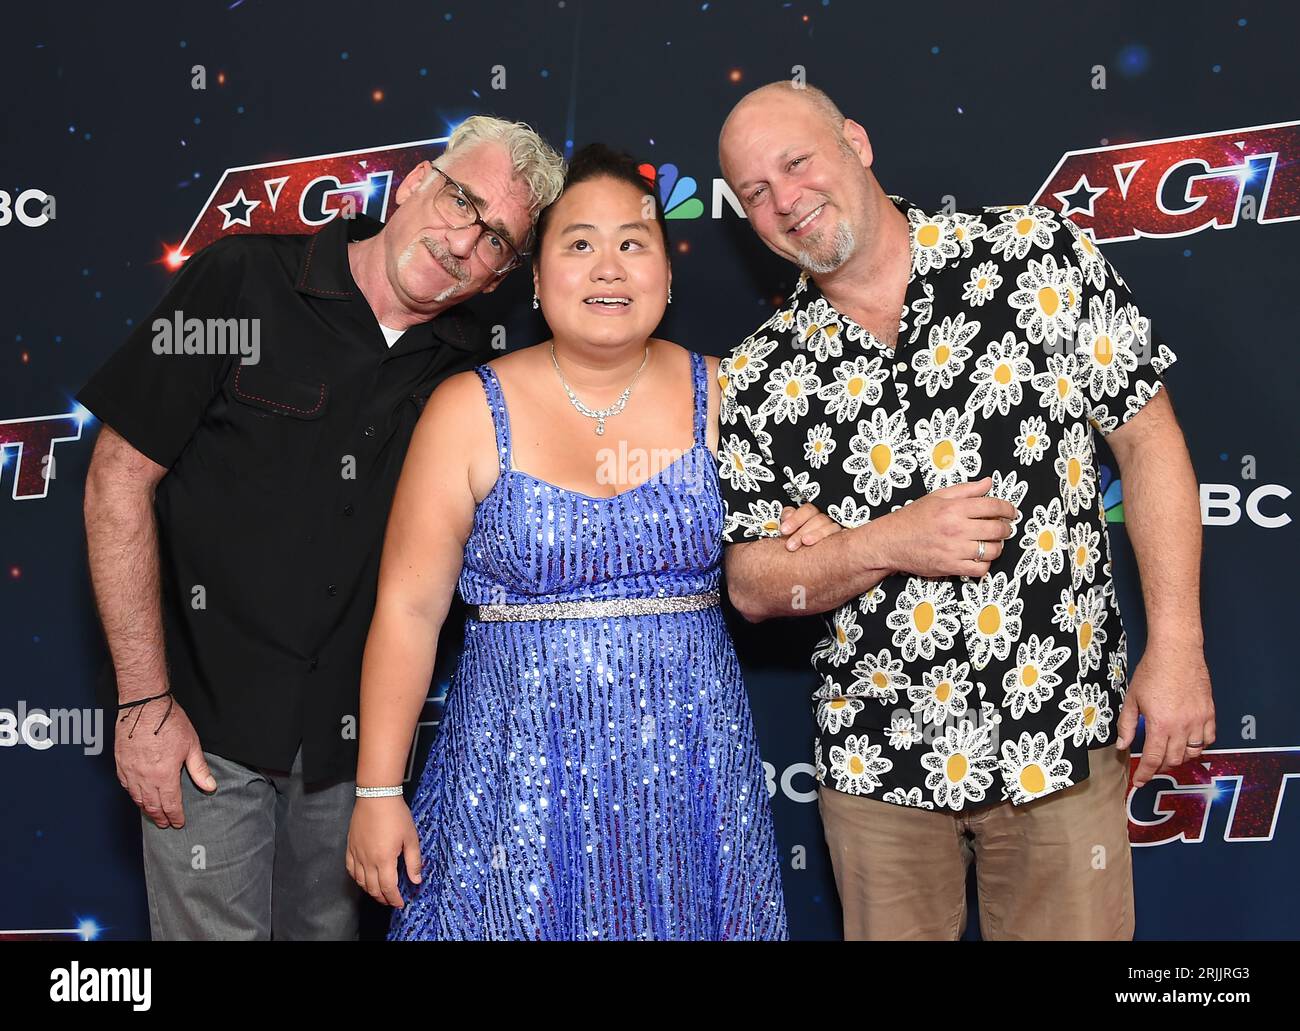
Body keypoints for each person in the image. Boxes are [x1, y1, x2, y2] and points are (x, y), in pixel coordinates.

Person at [714, 81, 1215, 940]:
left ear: (856, 144)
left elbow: (1149, 441)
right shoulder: (760, 372)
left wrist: (1176, 646)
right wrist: (886, 542)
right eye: (754, 192)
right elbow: (757, 585)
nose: (784, 201)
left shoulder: (1035, 255)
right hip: (876, 771)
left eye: (796, 164)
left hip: (1058, 739)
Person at [78, 116, 565, 940]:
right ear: (413, 184)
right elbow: (117, 480)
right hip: (204, 734)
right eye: (460, 201)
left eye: (495, 242)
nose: (461, 242)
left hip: (349, 764)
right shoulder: (237, 281)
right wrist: (144, 704)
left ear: (500, 278)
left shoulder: (465, 378)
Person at [346, 144, 833, 940]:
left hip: (688, 782)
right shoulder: (466, 408)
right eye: (579, 244)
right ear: (536, 281)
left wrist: (809, 534)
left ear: (667, 278)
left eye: (633, 243)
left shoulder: (732, 394)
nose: (608, 266)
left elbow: (787, 556)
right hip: (510, 779)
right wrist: (376, 792)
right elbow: (407, 608)